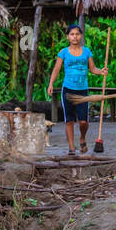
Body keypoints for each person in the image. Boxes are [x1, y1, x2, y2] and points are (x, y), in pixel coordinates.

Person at [45, 23, 108, 156]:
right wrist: (51, 83)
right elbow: (56, 70)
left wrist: (101, 71)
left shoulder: (86, 52)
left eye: (77, 34)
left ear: (81, 36)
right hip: (68, 90)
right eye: (72, 34)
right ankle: (72, 148)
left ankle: (82, 138)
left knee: (83, 122)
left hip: (82, 91)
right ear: (68, 37)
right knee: (69, 120)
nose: (75, 37)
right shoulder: (63, 53)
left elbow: (92, 69)